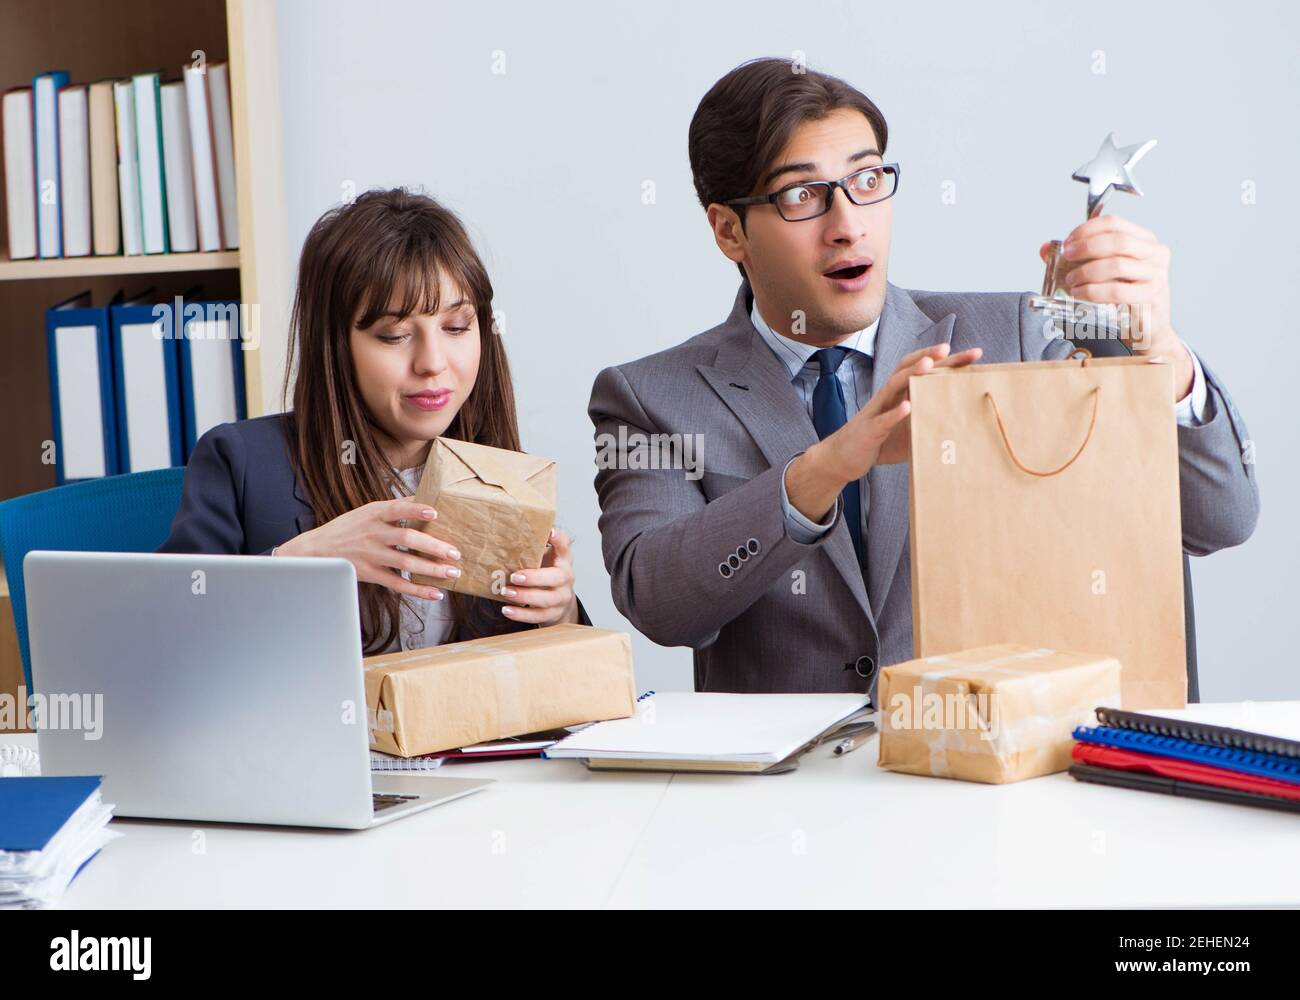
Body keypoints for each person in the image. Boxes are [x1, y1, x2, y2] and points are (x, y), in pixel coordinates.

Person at [589, 58, 1257, 697]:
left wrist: (1159, 349)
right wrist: (828, 466)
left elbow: (1219, 519)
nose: (848, 225)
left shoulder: (1013, 336)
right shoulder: (651, 397)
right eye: (802, 195)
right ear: (729, 231)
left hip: (985, 781)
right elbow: (662, 605)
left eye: (868, 181)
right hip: (787, 802)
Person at [159, 188, 587, 653]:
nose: (432, 362)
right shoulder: (241, 463)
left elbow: (573, 686)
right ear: (336, 347)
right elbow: (164, 643)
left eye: (457, 327)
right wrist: (297, 561)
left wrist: (557, 614)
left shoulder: (504, 476)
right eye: (395, 334)